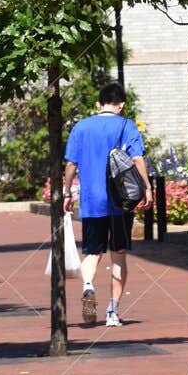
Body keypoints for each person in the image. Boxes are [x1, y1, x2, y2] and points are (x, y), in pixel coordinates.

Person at [63, 81, 152, 328]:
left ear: (98, 104)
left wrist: (67, 192)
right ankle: (112, 312)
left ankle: (88, 285)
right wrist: (147, 187)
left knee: (92, 252)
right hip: (121, 201)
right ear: (121, 105)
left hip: (92, 202)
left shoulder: (81, 127)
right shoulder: (127, 125)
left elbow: (71, 164)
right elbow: (137, 158)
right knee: (119, 254)